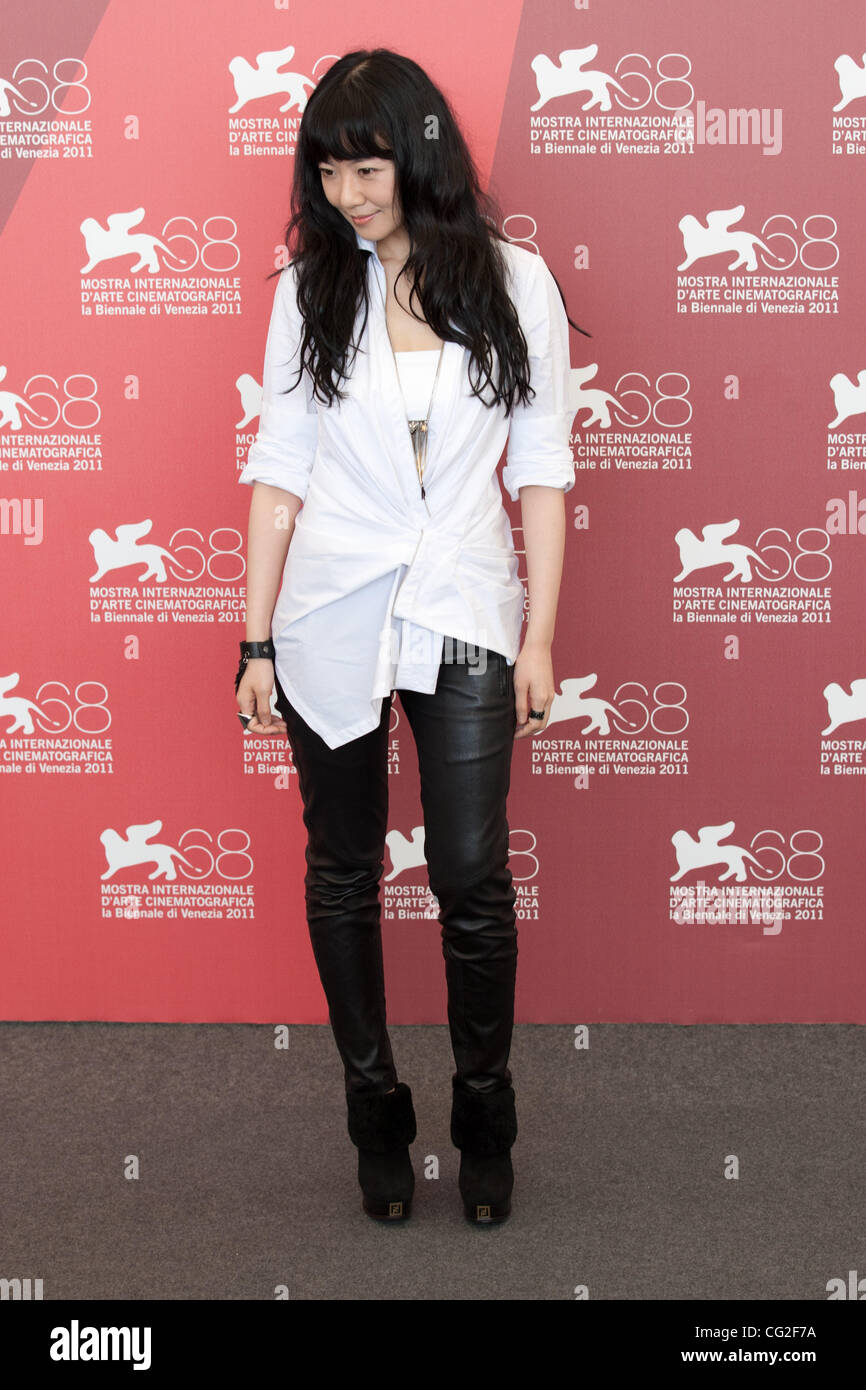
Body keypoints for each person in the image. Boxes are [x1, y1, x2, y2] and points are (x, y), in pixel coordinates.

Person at [235, 48, 589, 1225]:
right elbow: (279, 469)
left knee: (470, 875)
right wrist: (253, 640)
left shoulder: (511, 279)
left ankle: (482, 1110)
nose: (348, 193)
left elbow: (539, 466)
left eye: (368, 165)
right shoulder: (306, 292)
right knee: (341, 872)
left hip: (466, 606)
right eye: (329, 172)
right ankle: (372, 1108)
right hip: (330, 606)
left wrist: (539, 637)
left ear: (420, 152)